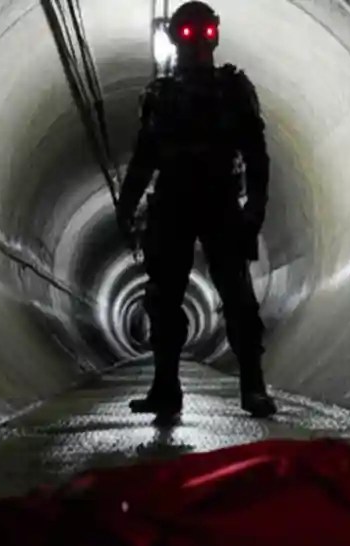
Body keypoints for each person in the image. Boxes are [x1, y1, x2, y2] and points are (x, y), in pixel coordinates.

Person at [115, 1, 277, 420]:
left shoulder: (233, 89)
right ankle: (165, 388)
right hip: (172, 203)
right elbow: (144, 158)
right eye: (187, 33)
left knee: (237, 295)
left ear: (215, 35)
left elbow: (256, 155)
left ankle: (252, 386)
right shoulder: (161, 95)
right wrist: (126, 207)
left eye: (203, 32)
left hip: (219, 199)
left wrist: (254, 209)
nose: (197, 41)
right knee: (163, 299)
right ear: (174, 37)